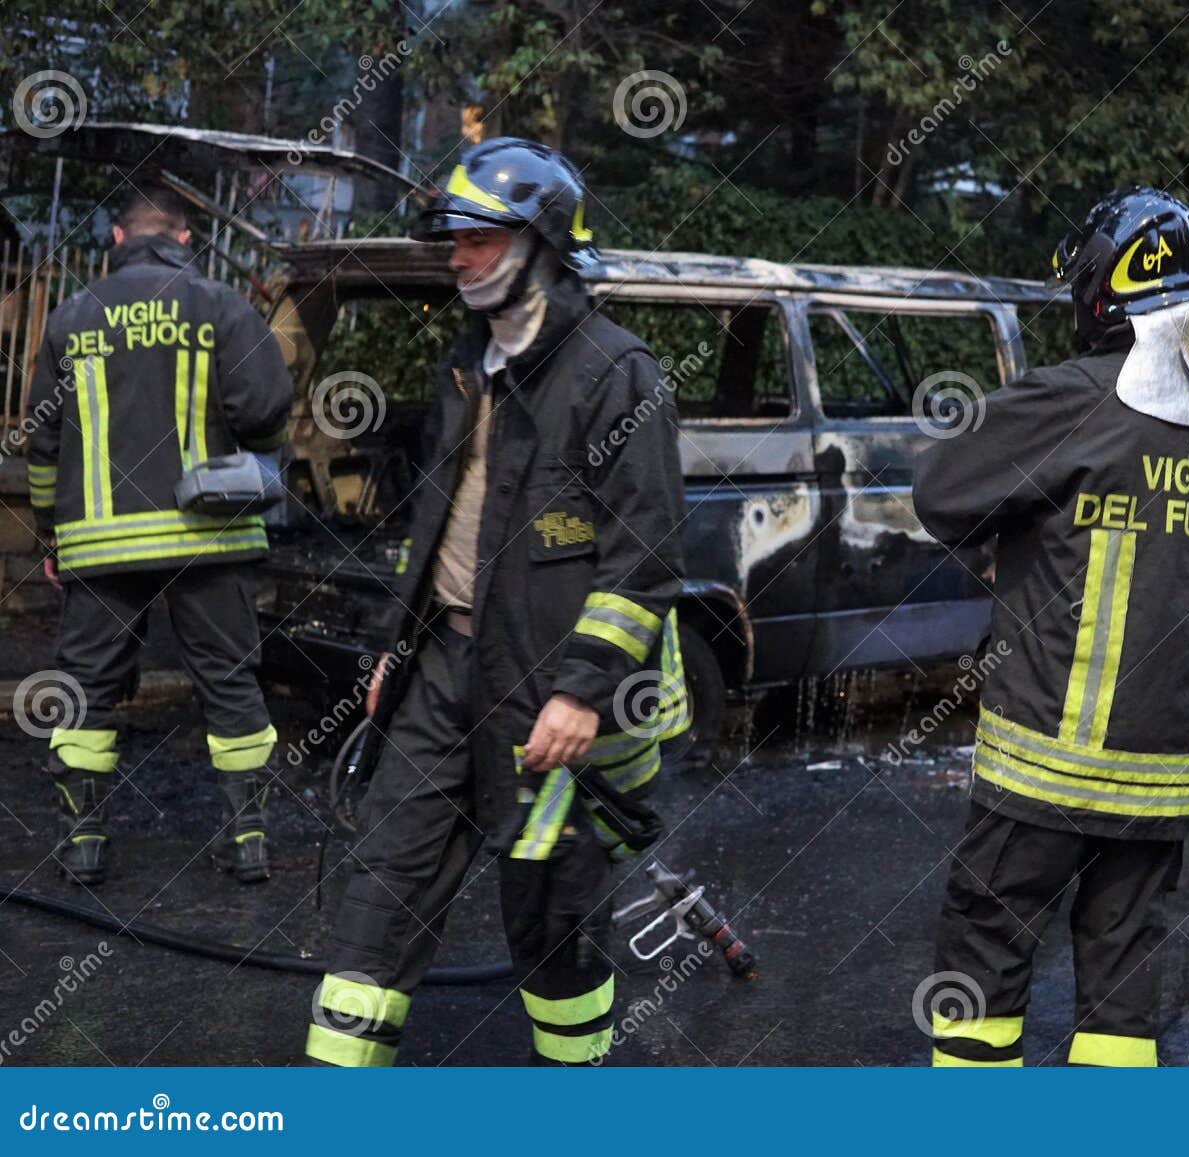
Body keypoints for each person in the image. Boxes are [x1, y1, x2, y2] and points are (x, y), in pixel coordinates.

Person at [305, 138, 690, 1067]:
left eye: (480, 238)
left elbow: (645, 559)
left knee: (552, 913)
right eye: (453, 238)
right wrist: (399, 651)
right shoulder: (468, 361)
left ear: (544, 240)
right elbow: (440, 526)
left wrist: (583, 689)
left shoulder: (615, 372)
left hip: (547, 688)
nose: (458, 256)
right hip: (443, 668)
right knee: (382, 884)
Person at [913, 187, 1189, 1067]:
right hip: (1160, 791)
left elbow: (941, 491)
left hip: (1037, 777)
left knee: (981, 984)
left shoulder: (1069, 402)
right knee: (1122, 1011)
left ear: (1100, 286)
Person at [24, 183, 293, 886]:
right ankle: (250, 842)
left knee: (86, 690)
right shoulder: (221, 307)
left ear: (116, 240)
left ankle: (82, 843)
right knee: (231, 685)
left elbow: (43, 446)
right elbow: (264, 410)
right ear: (185, 240)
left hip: (102, 549)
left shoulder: (70, 319)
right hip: (211, 539)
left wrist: (53, 536)